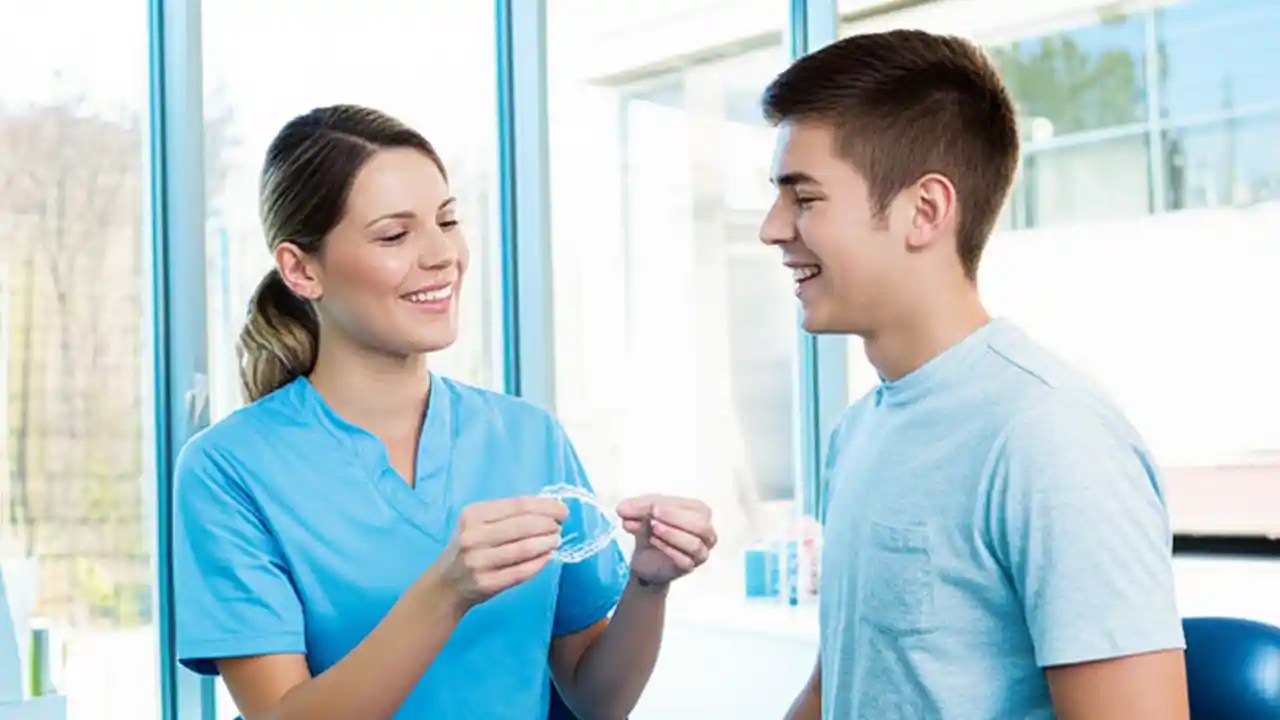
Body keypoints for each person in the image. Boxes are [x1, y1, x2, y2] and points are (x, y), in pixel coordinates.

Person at [173, 104, 718, 720]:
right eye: (394, 235)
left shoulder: (528, 438)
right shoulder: (229, 468)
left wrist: (649, 585)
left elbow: (595, 700)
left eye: (447, 220)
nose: (443, 256)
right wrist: (445, 592)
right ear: (301, 269)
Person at [759, 30, 1188, 720]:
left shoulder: (1050, 437)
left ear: (923, 211)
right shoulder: (859, 432)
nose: (772, 228)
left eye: (804, 198)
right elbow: (834, 688)